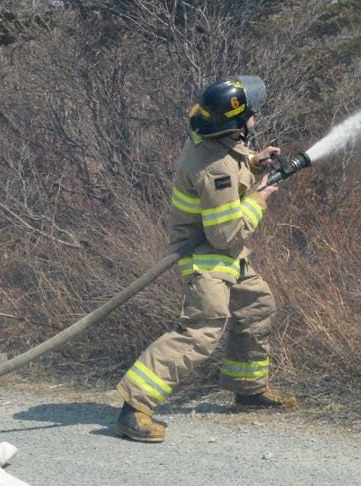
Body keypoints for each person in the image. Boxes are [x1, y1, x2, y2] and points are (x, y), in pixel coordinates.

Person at [115, 76, 298, 443]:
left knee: (257, 305)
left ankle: (248, 390)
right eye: (251, 115)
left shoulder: (210, 135)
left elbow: (230, 157)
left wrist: (256, 161)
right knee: (201, 331)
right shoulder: (216, 171)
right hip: (208, 256)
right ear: (236, 122)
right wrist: (258, 202)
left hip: (225, 254)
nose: (254, 120)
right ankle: (134, 408)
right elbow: (225, 233)